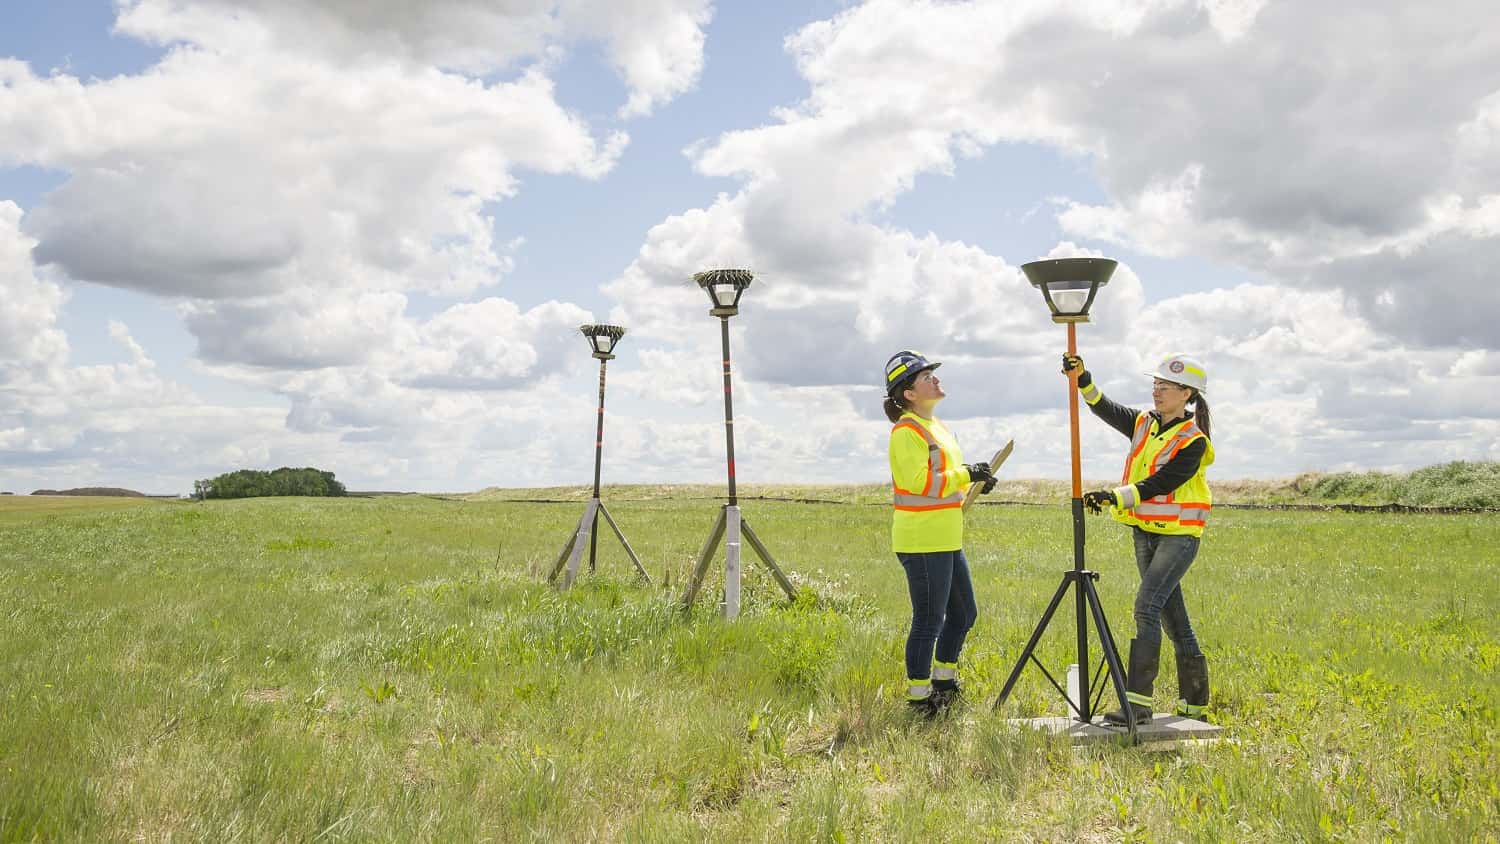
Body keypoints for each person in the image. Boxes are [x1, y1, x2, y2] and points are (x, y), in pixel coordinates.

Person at [1063, 351, 1214, 725]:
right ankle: (1195, 704)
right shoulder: (1145, 423)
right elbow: (1106, 409)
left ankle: (1138, 705)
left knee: (1146, 607)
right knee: (1173, 617)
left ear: (1187, 394)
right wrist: (1084, 379)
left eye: (1166, 386)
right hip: (1145, 532)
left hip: (1179, 537)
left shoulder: (1193, 442)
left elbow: (1162, 483)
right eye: (1156, 384)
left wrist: (1115, 495)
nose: (1157, 391)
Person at [884, 350, 995, 717]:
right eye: (925, 375)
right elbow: (920, 483)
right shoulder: (906, 432)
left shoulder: (939, 428)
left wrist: (974, 480)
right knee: (929, 620)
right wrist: (967, 473)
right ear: (909, 394)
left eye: (932, 372)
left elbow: (947, 482)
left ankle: (944, 684)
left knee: (964, 615)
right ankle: (919, 700)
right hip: (922, 540)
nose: (934, 378)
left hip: (946, 537)